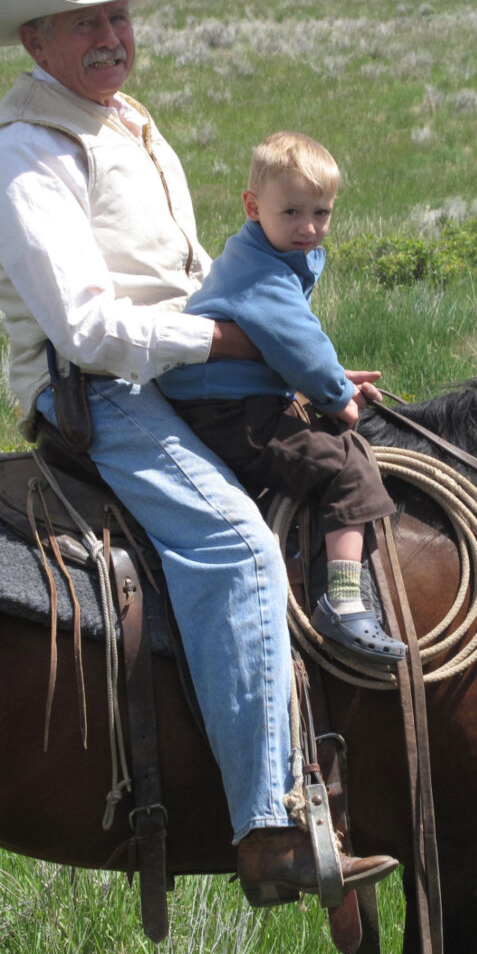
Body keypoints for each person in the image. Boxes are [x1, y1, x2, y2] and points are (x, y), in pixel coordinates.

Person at [0, 0, 396, 906]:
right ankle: (268, 828)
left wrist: (288, 361)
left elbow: (195, 278)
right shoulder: (24, 152)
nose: (113, 37)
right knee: (238, 546)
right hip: (99, 394)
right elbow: (87, 327)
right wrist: (233, 351)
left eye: (120, 15)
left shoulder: (122, 122)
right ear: (36, 42)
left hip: (175, 374)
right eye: (87, 24)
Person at [158, 132, 407, 665]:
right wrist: (339, 395)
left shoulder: (262, 253)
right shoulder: (264, 273)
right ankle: (343, 601)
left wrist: (328, 377)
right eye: (291, 211)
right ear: (253, 206)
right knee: (346, 465)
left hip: (228, 399)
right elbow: (299, 344)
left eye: (321, 213)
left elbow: (287, 344)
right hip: (229, 415)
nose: (309, 227)